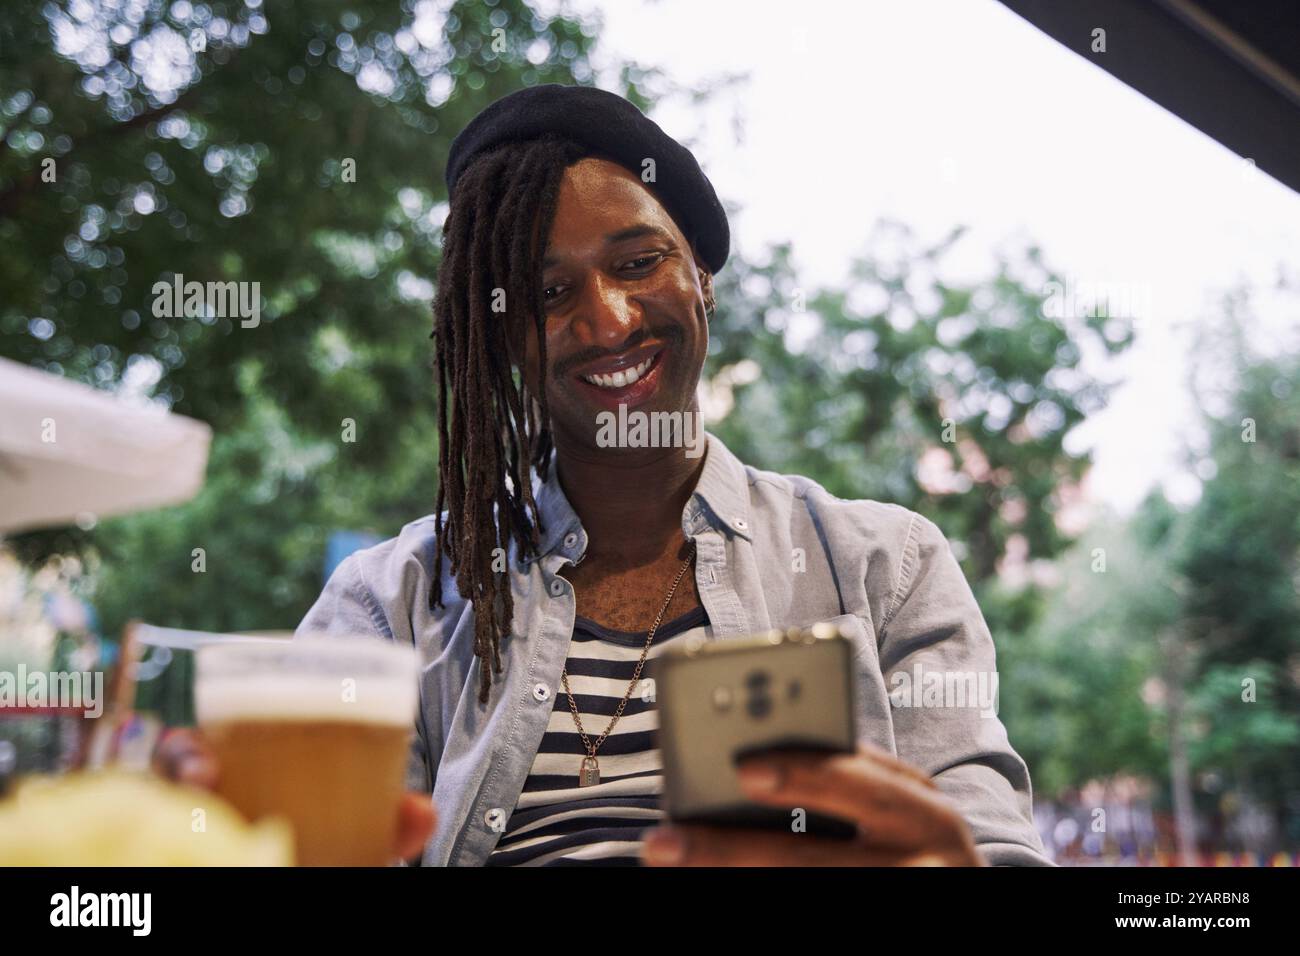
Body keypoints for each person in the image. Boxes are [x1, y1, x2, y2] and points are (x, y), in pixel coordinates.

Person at [161, 84, 1050, 867]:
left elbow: (991, 846)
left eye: (638, 263)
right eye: (548, 294)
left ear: (701, 278)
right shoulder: (390, 604)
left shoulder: (884, 566)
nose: (608, 318)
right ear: (502, 336)